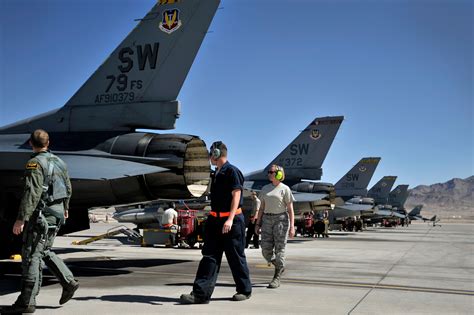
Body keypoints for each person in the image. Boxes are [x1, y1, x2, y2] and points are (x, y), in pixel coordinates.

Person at [2, 129, 79, 314]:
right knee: (43, 250)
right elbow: (68, 187)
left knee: (31, 255)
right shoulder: (60, 162)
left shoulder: (34, 164)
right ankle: (69, 282)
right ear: (48, 142)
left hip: (42, 216)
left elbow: (32, 193)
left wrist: (21, 219)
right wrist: (66, 208)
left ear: (31, 143)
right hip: (57, 213)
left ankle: (26, 302)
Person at [180, 141, 252, 304]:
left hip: (231, 221)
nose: (209, 157)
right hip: (215, 220)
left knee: (235, 256)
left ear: (217, 154)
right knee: (210, 256)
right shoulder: (216, 173)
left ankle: (244, 290)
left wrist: (230, 219)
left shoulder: (232, 171)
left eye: (210, 154)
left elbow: (236, 196)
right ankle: (200, 294)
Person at [255, 164, 295, 289]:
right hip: (267, 219)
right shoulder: (265, 188)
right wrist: (257, 223)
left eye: (271, 172)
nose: (269, 173)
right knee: (265, 250)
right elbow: (261, 208)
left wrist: (292, 226)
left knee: (280, 248)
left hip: (281, 220)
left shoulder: (285, 189)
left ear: (278, 174)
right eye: (268, 171)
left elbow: (290, 209)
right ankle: (280, 265)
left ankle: (276, 277)